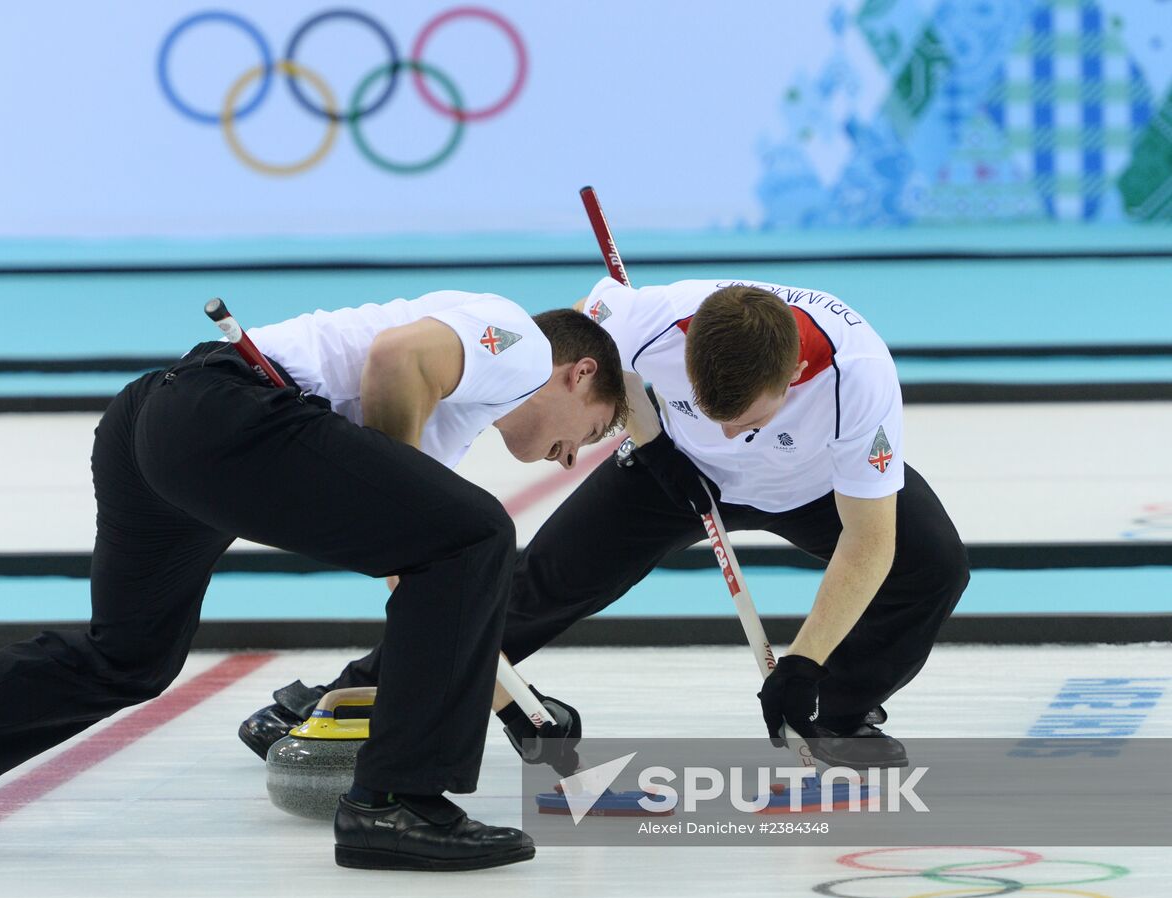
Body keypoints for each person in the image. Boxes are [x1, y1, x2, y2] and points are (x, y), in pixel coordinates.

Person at [0, 290, 628, 872]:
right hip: (227, 413)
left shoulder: (456, 422)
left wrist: (510, 699)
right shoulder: (516, 339)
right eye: (591, 433)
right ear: (579, 374)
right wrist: (410, 525)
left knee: (131, 656)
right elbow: (398, 358)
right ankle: (395, 803)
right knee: (480, 529)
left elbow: (439, 598)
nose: (570, 456)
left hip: (156, 418)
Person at [241, 279, 969, 771]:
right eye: (710, 409)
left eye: (741, 419)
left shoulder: (860, 378)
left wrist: (803, 662)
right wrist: (655, 440)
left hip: (812, 484)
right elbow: (578, 355)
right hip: (670, 468)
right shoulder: (656, 317)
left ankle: (834, 714)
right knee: (536, 584)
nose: (728, 430)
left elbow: (868, 540)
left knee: (931, 568)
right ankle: (347, 695)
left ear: (791, 381)